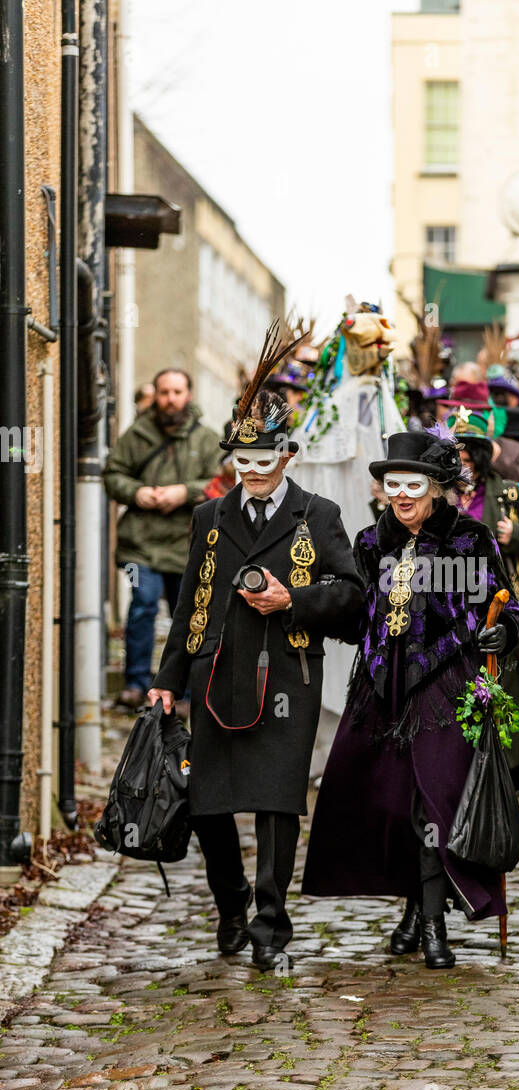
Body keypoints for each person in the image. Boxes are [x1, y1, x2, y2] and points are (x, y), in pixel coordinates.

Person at [147, 342, 364, 971]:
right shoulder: (211, 516)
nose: (254, 471)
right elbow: (189, 600)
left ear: (288, 455)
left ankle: (271, 921)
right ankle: (231, 901)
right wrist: (166, 678)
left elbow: (351, 597)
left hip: (288, 674)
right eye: (243, 460)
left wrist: (290, 600)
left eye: (265, 459)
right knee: (210, 801)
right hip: (215, 672)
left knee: (275, 801)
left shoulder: (317, 516)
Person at [301, 428, 519, 969]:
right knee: (390, 801)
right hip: (381, 686)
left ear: (437, 486)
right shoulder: (369, 542)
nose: (401, 494)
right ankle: (412, 907)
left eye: (413, 484)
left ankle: (433, 925)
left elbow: (506, 606)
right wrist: (309, 604)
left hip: (448, 683)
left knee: (434, 800)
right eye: (392, 484)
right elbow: (357, 621)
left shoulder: (468, 540)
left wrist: (503, 633)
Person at [104, 369, 224, 710]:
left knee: (185, 613)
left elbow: (222, 482)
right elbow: (113, 474)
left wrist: (183, 492)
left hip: (188, 547)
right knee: (142, 604)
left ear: (188, 394)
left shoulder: (206, 438)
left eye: (177, 391)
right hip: (138, 547)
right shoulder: (137, 434)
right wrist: (137, 492)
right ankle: (136, 684)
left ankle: (183, 690)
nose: (170, 398)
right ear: (155, 395)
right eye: (164, 392)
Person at [450, 406, 519, 793]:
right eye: (453, 459)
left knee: (508, 685)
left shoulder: (511, 493)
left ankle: (512, 766)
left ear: (478, 457)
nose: (461, 466)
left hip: (503, 604)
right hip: (457, 608)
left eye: (466, 458)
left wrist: (517, 537)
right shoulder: (438, 496)